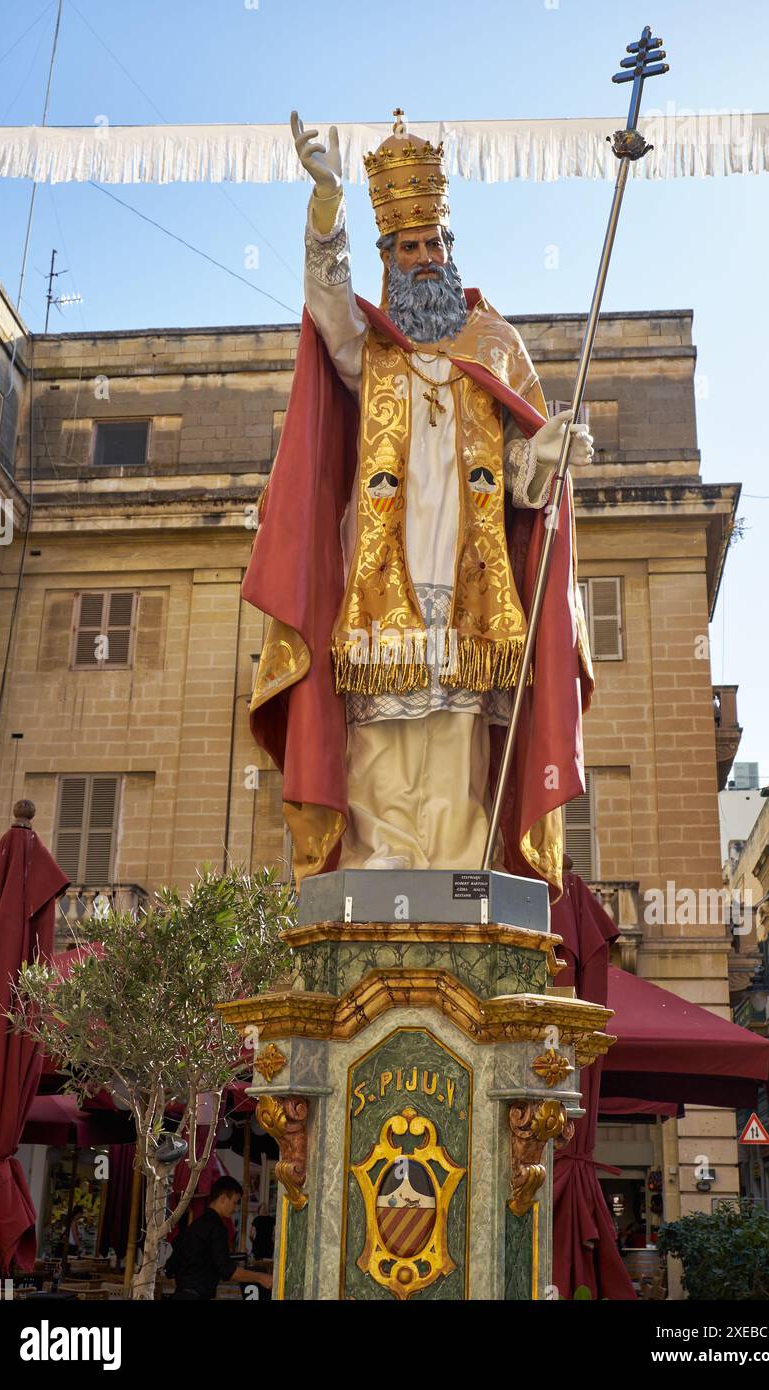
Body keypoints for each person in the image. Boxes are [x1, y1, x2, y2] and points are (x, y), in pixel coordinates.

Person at [244, 109, 594, 898]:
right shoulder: (366, 351)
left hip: (470, 579)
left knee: (458, 734)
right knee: (378, 735)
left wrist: (542, 459)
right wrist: (326, 201)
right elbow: (327, 305)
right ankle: (378, 870)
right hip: (381, 576)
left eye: (437, 243)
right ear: (389, 262)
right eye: (411, 247)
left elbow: (522, 483)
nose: (428, 257)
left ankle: (461, 869)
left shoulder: (496, 345)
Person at [166, 1176, 272, 1300]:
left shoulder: (195, 1225)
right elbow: (227, 1270)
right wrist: (261, 1277)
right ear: (222, 1199)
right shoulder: (217, 1227)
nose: (235, 1208)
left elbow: (170, 1267)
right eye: (235, 1202)